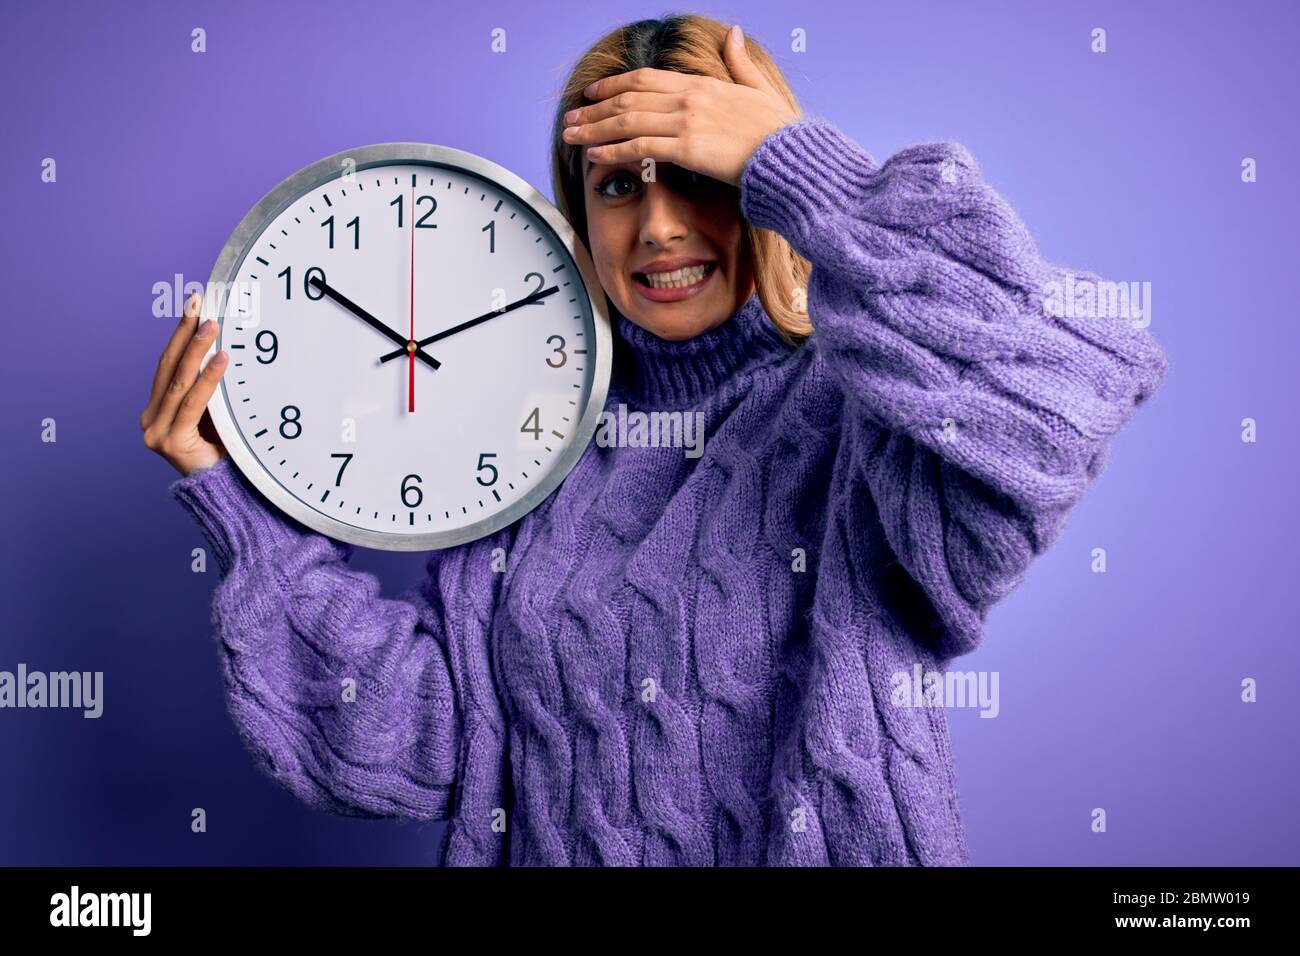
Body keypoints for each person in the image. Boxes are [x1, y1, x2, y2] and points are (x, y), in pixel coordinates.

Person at [140, 15, 1166, 866]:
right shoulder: (525, 448)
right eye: (621, 186)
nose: (662, 226)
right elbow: (418, 748)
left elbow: (1056, 391)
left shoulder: (862, 410)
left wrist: (805, 170)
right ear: (578, 222)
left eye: (699, 175)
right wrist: (235, 504)